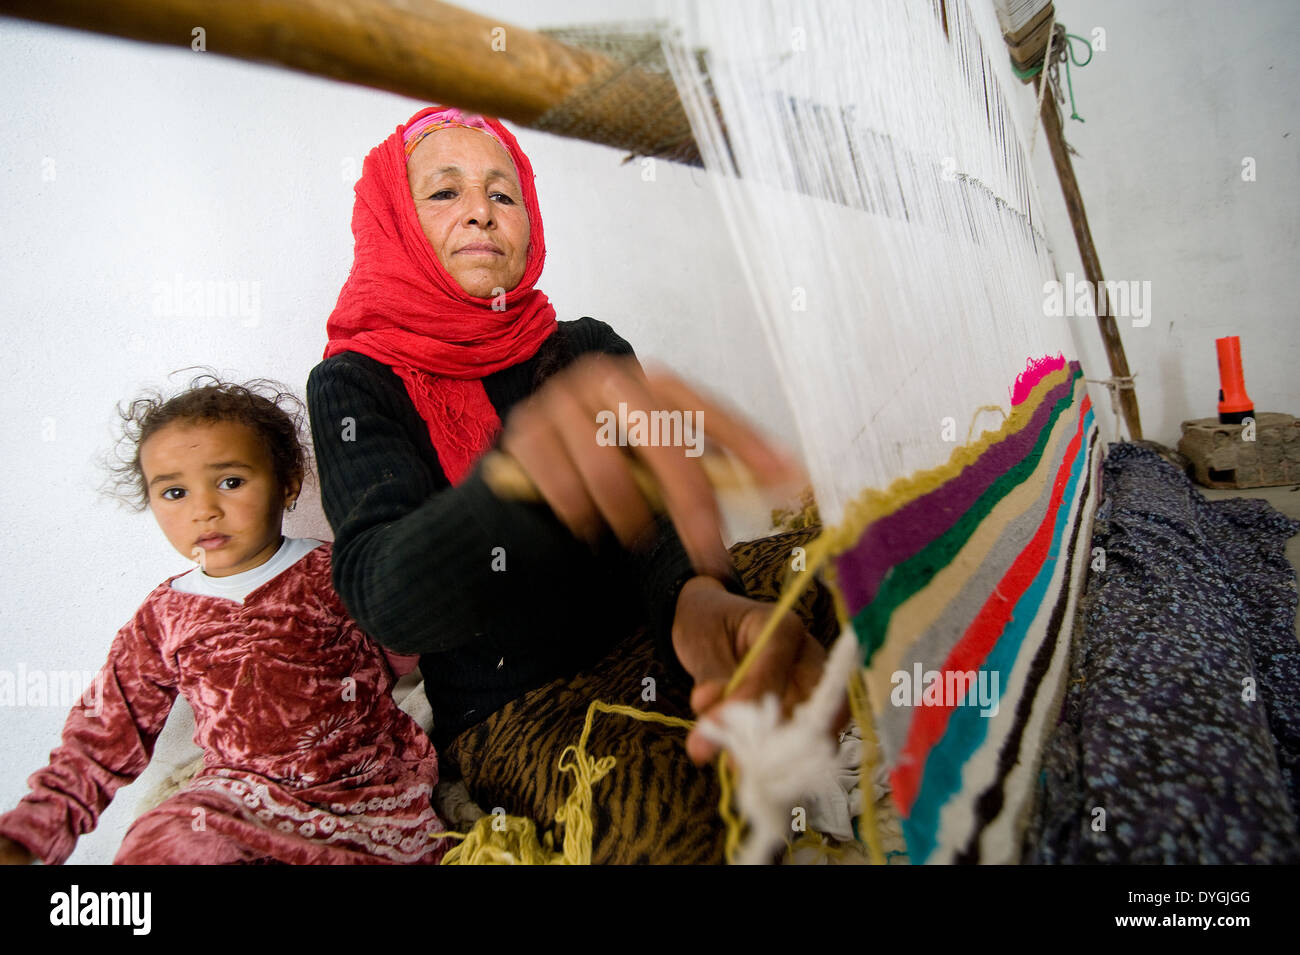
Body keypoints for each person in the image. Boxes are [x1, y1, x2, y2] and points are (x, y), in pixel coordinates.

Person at [307, 106, 834, 862]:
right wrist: (522, 482)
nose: (482, 210)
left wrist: (696, 599)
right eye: (444, 192)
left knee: (859, 560)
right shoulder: (354, 384)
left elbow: (657, 512)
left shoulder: (583, 346)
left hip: (653, 632)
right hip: (515, 702)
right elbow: (387, 597)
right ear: (391, 217)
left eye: (503, 191)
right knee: (675, 822)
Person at [0, 376, 445, 865]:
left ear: (288, 480)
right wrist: (29, 833)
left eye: (231, 482)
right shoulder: (164, 616)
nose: (205, 510)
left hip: (364, 791)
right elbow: (105, 731)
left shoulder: (335, 572)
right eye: (174, 493)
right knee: (166, 838)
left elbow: (404, 646)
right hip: (240, 797)